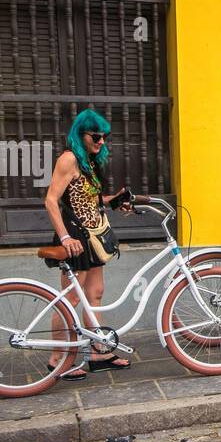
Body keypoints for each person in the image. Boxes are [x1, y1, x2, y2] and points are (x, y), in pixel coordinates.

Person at [43, 109, 136, 380]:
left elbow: (89, 200)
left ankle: (98, 352)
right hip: (75, 238)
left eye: (105, 136)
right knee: (70, 300)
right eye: (96, 136)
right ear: (80, 134)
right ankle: (57, 358)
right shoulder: (69, 159)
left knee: (95, 293)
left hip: (94, 237)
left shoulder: (89, 162)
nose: (101, 141)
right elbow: (51, 200)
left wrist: (114, 200)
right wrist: (65, 238)